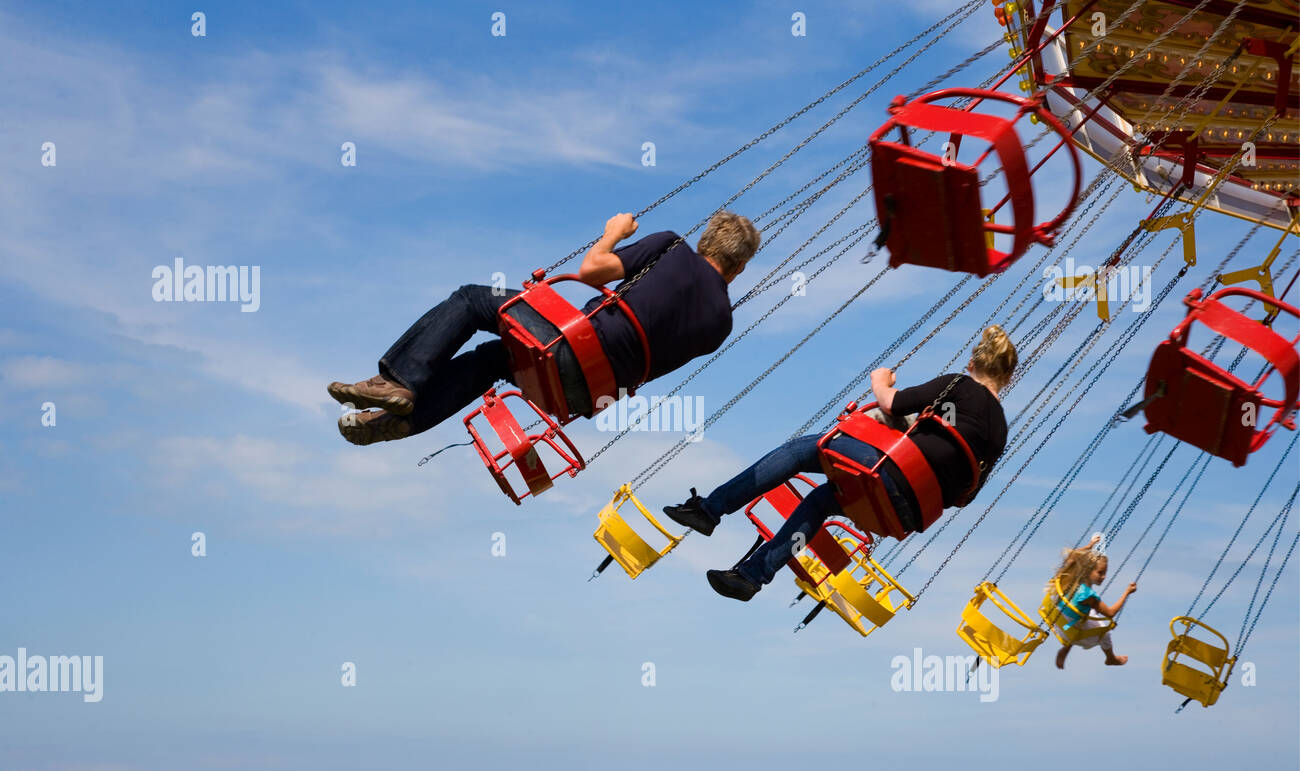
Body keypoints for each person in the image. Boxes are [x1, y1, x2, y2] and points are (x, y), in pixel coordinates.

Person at [328, 211, 761, 444]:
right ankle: (400, 422)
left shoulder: (671, 246)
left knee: (474, 300)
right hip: (584, 394)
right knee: (494, 360)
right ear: (740, 267)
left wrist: (613, 233)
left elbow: (593, 271)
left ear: (706, 240)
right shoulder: (722, 324)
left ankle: (397, 382)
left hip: (571, 345)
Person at [663, 326, 1018, 601]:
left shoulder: (959, 384)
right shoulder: (1000, 431)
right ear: (1008, 377)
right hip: (908, 514)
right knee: (821, 500)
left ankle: (709, 510)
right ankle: (750, 577)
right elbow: (964, 497)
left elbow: (893, 404)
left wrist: (882, 381)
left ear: (972, 364)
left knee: (802, 451)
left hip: (889, 473)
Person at [1049, 535, 1136, 668]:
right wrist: (1127, 592)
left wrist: (1088, 547)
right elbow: (1111, 613)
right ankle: (1111, 658)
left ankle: (1065, 648)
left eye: (1105, 572)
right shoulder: (1088, 595)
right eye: (1100, 572)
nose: (1104, 576)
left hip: (1060, 625)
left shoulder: (1070, 580)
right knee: (1105, 631)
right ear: (1087, 571)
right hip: (1073, 632)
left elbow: (1071, 557)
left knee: (1088, 613)